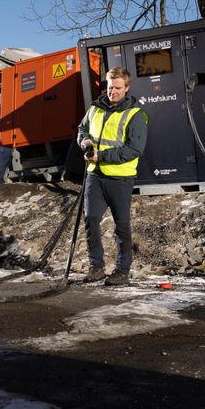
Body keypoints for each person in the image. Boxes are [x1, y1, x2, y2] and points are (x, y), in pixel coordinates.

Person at [76, 67, 149, 286]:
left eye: (117, 88)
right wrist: (86, 143)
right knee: (91, 220)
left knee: (122, 226)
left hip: (120, 179)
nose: (112, 92)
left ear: (127, 88)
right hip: (95, 177)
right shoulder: (95, 109)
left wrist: (102, 156)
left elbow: (134, 149)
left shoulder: (136, 114)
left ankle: (122, 270)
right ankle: (96, 267)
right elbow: (82, 130)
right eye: (109, 87)